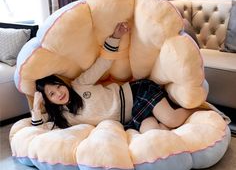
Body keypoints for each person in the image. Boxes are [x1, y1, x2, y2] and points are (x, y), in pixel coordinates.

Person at [32, 22, 196, 133]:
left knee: (171, 120)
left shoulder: (79, 85)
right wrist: (37, 107)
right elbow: (39, 131)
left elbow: (102, 63)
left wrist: (115, 37)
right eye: (51, 94)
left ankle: (200, 110)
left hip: (136, 93)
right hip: (130, 118)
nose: (59, 92)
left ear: (62, 83)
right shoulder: (62, 119)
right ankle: (166, 123)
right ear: (50, 101)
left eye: (57, 86)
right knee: (152, 133)